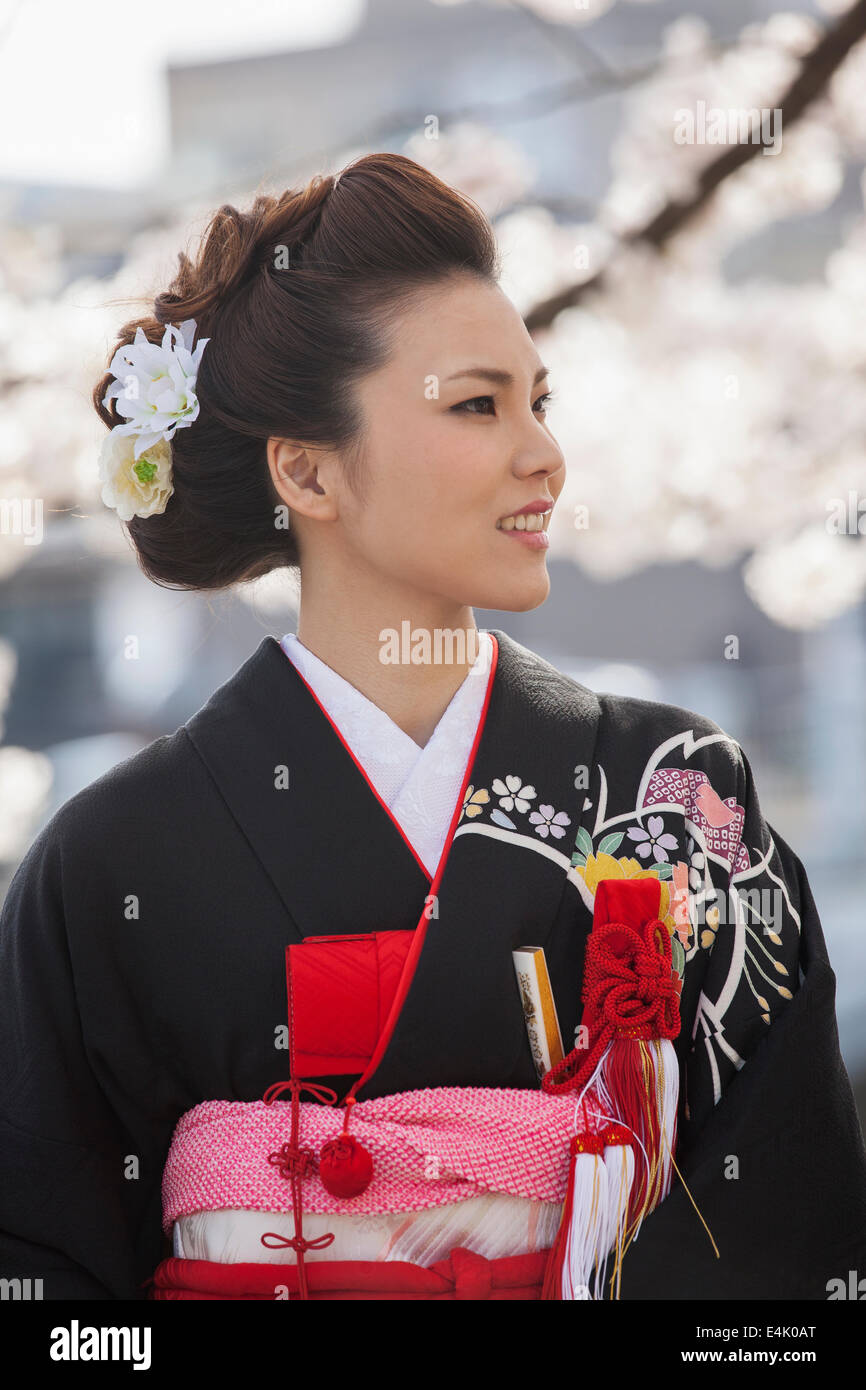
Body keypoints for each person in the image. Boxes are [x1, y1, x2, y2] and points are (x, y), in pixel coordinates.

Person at [1, 152, 864, 1302]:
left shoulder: (676, 796)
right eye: (476, 404)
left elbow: (784, 1243)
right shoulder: (111, 857)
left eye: (537, 400)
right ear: (306, 473)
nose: (542, 453)